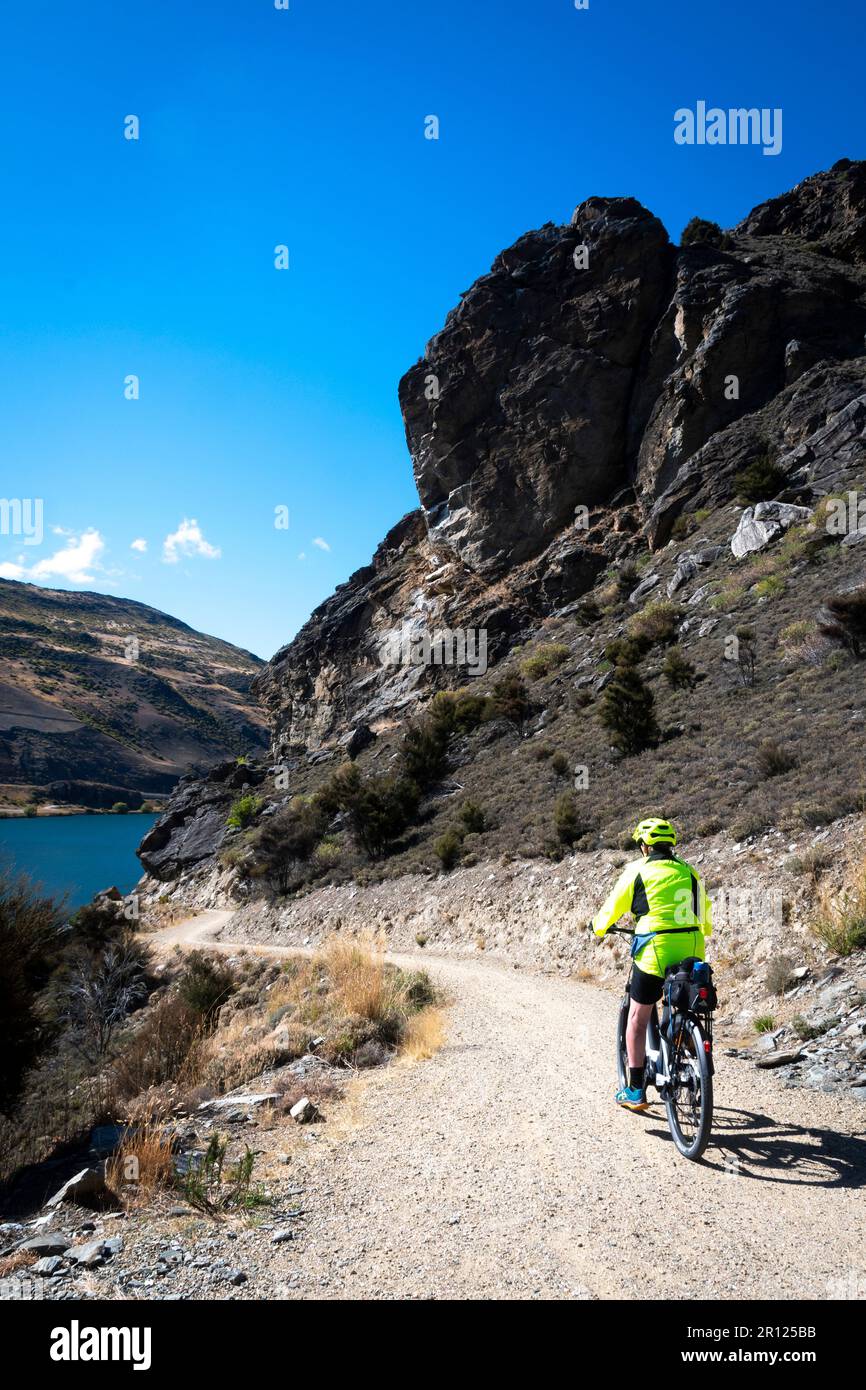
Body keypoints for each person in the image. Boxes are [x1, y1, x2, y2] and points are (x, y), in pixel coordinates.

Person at [591, 817, 712, 1111]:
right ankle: (684, 1044)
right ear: (670, 846)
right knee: (680, 996)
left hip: (655, 950)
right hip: (692, 945)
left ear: (644, 846)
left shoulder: (637, 870)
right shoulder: (688, 870)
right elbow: (705, 916)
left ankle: (634, 1091)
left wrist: (599, 926)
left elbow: (613, 907)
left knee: (637, 1017)